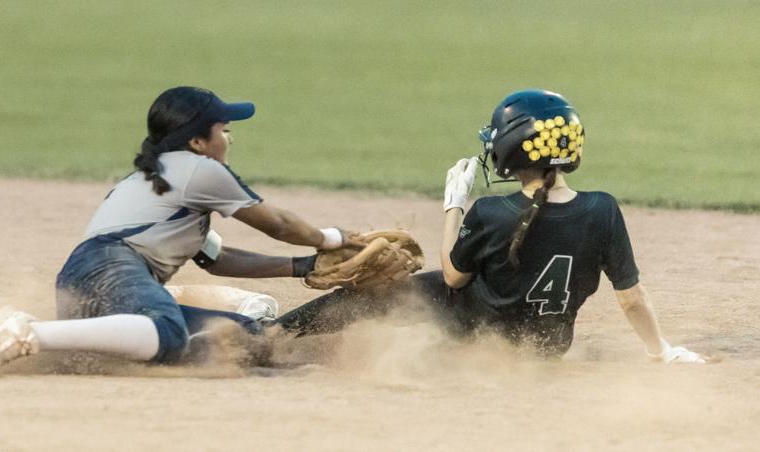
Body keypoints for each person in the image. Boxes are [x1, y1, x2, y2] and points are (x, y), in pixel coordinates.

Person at [276, 89, 704, 363]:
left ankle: (272, 334)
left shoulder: (491, 212)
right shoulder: (604, 210)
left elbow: (453, 276)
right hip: (549, 349)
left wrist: (454, 205)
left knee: (380, 291)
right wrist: (661, 350)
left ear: (510, 149)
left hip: (476, 335)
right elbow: (631, 299)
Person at [0, 86, 350, 374]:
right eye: (223, 129)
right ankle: (27, 332)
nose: (229, 138)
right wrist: (332, 239)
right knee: (166, 330)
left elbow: (217, 259)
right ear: (198, 141)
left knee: (246, 338)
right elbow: (279, 225)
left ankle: (65, 339)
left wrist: (303, 266)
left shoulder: (157, 177)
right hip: (111, 268)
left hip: (90, 283)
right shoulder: (201, 170)